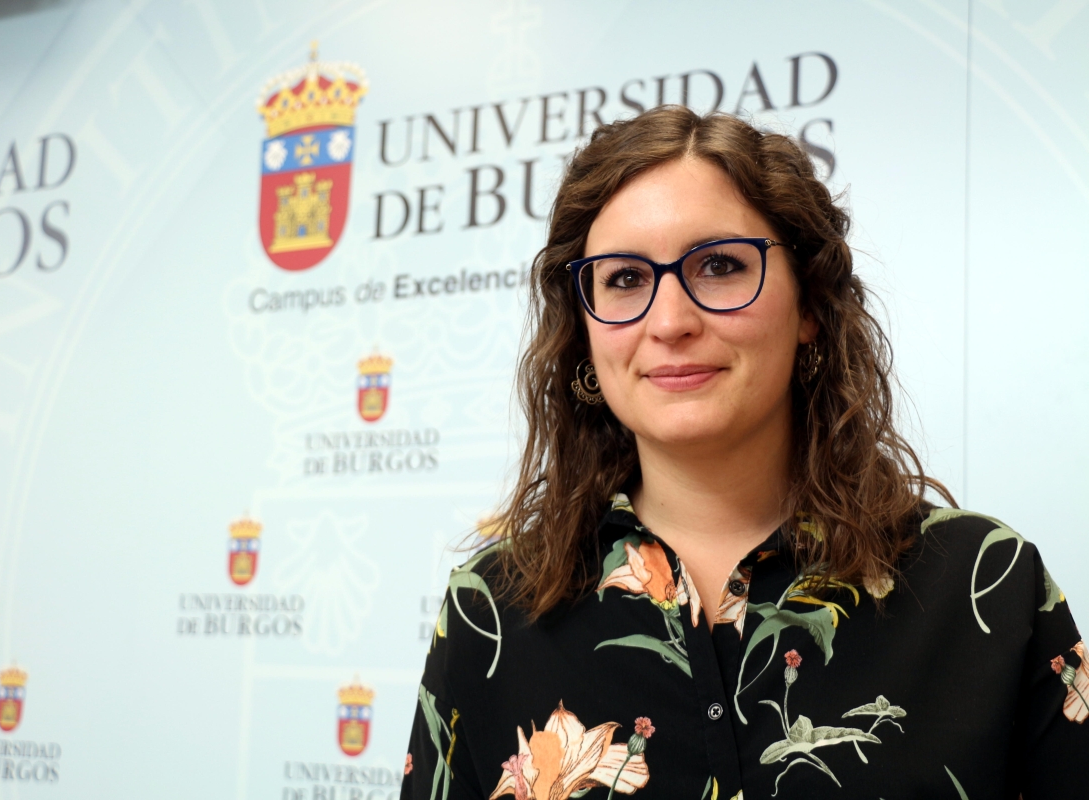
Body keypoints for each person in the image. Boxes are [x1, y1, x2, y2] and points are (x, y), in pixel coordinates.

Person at [400, 106, 1087, 800]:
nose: (669, 322)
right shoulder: (490, 608)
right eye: (625, 280)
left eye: (721, 266)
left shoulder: (985, 584)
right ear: (583, 335)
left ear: (811, 307)